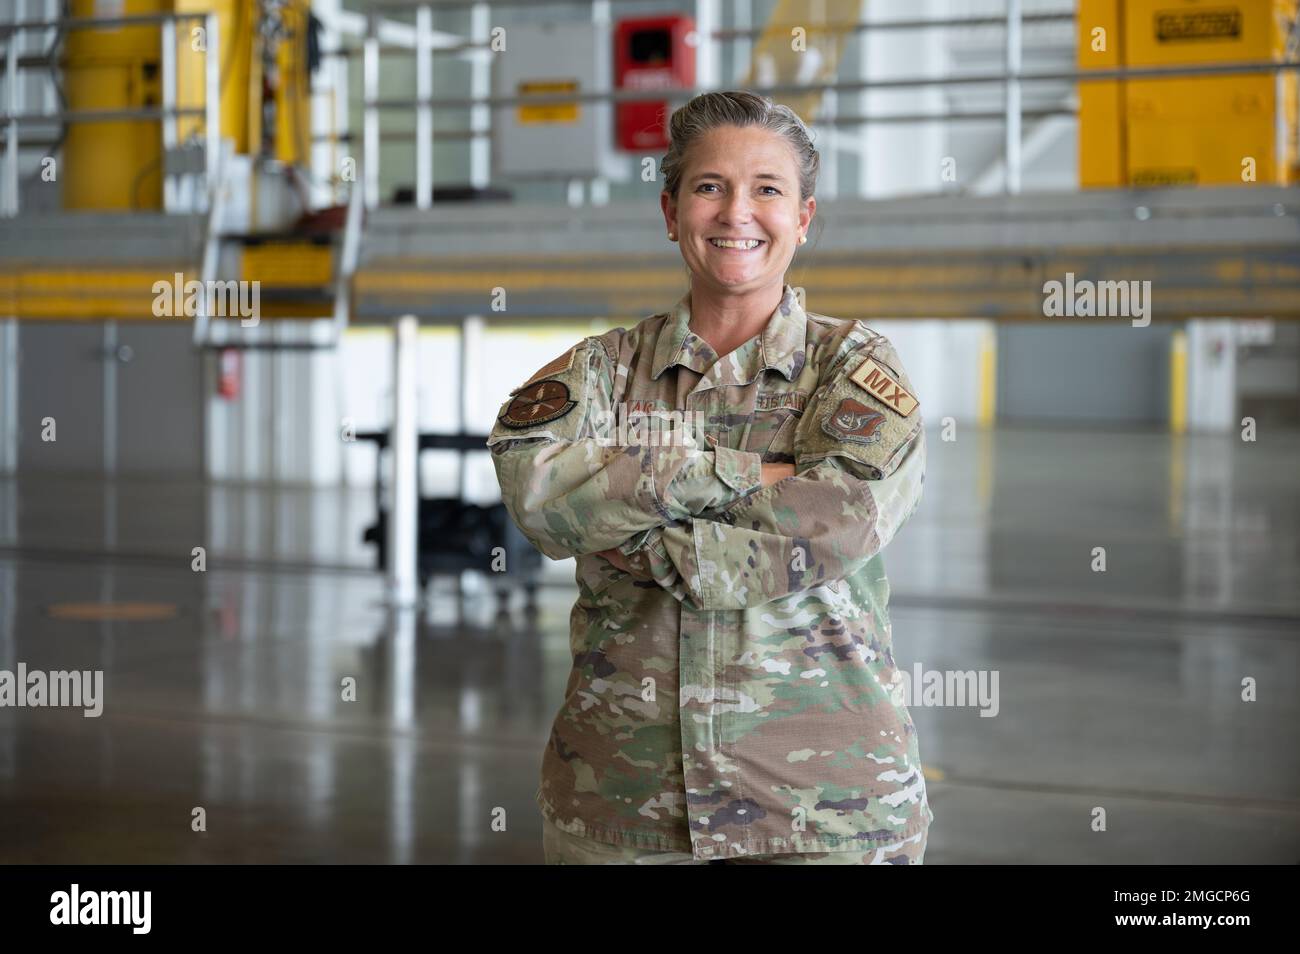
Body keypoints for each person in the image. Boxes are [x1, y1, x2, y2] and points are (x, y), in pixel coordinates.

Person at [488, 90, 932, 864]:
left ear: (803, 217)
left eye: (768, 189)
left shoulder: (853, 367)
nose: (736, 213)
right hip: (623, 808)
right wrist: (748, 473)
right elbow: (534, 491)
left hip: (826, 813)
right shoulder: (604, 369)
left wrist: (633, 525)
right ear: (671, 211)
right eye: (709, 187)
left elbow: (841, 518)